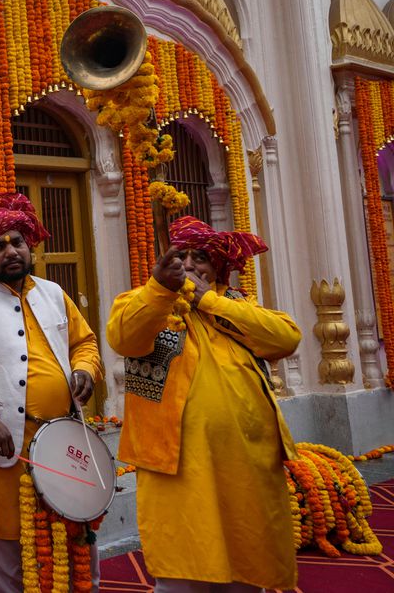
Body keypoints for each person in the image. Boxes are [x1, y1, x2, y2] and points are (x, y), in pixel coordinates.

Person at [108, 216, 300, 593]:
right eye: (182, 256)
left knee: (246, 573)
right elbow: (123, 337)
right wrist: (160, 289)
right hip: (177, 467)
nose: (190, 265)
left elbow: (286, 338)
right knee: (184, 573)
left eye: (201, 258)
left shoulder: (235, 304)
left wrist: (208, 301)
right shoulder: (147, 300)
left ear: (218, 268)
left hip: (245, 467)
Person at [0, 192, 103, 593]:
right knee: (11, 555)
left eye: (17, 242)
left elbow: (85, 343)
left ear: (29, 247)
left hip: (64, 443)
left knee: (78, 540)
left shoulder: (53, 293)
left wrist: (85, 368)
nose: (10, 251)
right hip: (7, 451)